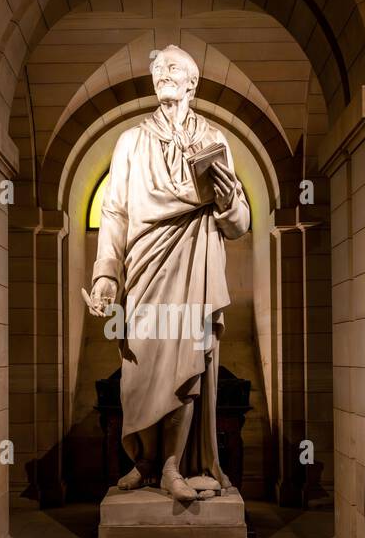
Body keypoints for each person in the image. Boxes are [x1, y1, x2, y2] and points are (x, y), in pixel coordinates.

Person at [85, 45, 250, 503]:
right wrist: (105, 275)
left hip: (193, 269)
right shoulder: (131, 142)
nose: (163, 74)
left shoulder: (214, 142)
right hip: (144, 271)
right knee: (138, 370)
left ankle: (174, 465)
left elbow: (239, 224)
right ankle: (143, 461)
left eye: (173, 69)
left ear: (192, 83)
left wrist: (226, 200)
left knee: (187, 368)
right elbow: (114, 210)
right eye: (157, 69)